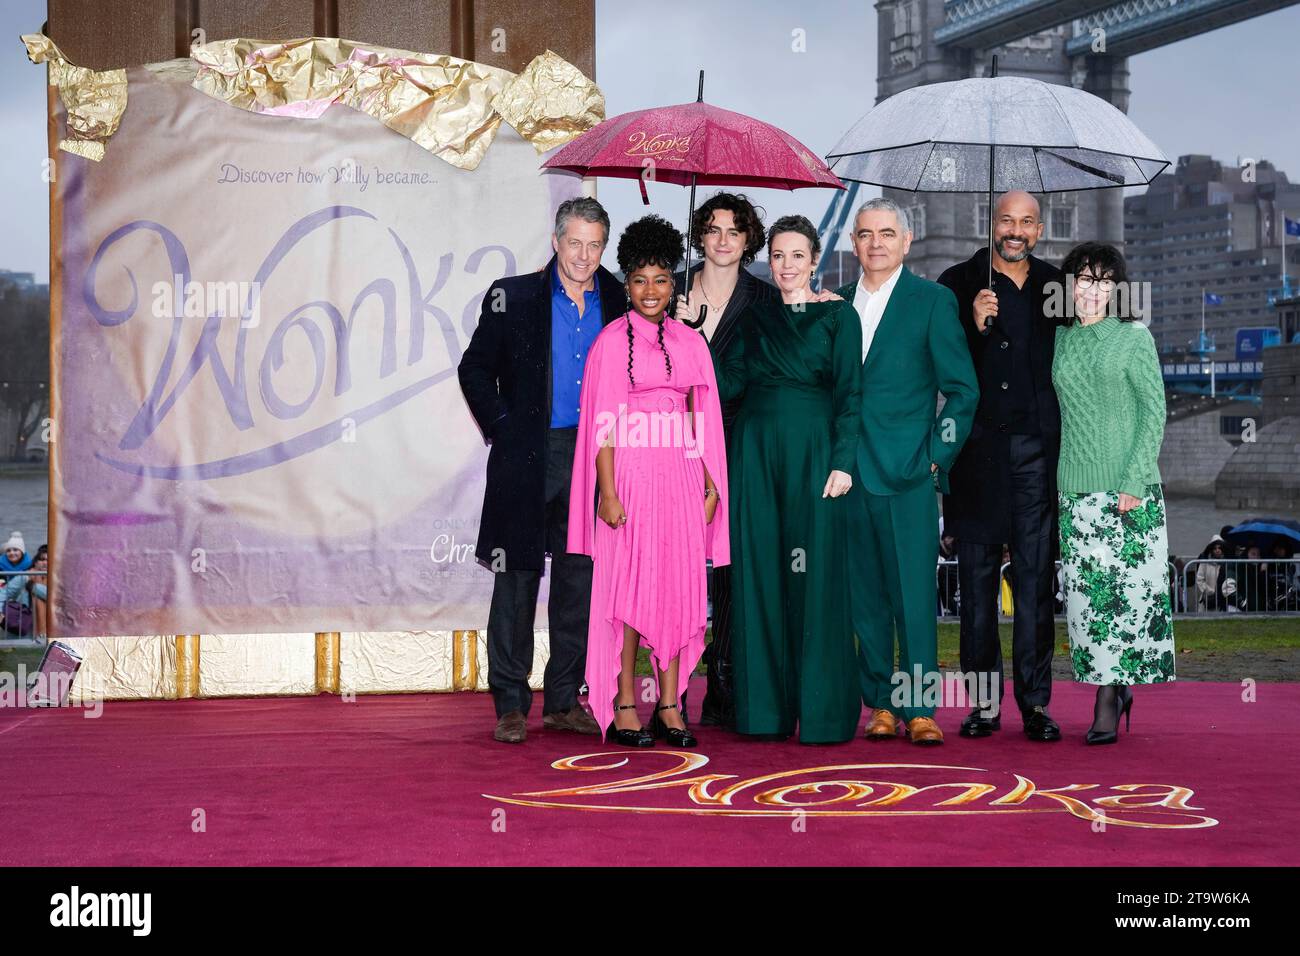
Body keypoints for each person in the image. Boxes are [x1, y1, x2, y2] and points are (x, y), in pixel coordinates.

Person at [458, 197, 626, 744]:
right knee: (517, 580)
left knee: (580, 581)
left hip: (594, 456)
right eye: (574, 242)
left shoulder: (621, 298)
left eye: (594, 244)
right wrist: (503, 426)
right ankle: (510, 703)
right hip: (529, 454)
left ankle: (562, 701)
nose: (583, 255)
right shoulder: (515, 295)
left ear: (605, 247)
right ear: (555, 241)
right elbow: (475, 368)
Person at [567, 215, 729, 747]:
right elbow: (602, 428)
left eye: (661, 279)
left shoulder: (692, 344)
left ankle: (669, 703)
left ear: (673, 283)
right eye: (639, 280)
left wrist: (710, 486)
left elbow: (702, 421)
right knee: (630, 592)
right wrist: (607, 493)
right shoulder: (611, 343)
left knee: (678, 591)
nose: (651, 291)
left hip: (680, 479)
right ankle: (623, 700)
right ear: (626, 282)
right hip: (631, 481)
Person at [831, 198, 978, 747]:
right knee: (865, 598)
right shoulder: (836, 303)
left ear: (907, 240)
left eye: (887, 233)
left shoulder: (933, 302)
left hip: (911, 474)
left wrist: (937, 457)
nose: (875, 243)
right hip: (847, 477)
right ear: (853, 240)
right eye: (866, 233)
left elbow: (963, 391)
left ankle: (920, 707)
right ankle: (881, 704)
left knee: (914, 597)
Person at [716, 215, 862, 743]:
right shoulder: (754, 319)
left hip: (816, 456)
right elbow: (726, 382)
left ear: (815, 259)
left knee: (816, 577)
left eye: (797, 255)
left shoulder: (839, 318)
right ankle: (764, 714)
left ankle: (821, 714)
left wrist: (844, 461)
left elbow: (851, 394)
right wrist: (691, 334)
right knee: (759, 574)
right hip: (754, 455)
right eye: (777, 255)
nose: (786, 265)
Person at [937, 190, 1064, 742]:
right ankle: (983, 706)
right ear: (992, 224)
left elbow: (1082, 355)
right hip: (976, 456)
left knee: (1036, 586)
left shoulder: (1057, 286)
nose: (1016, 230)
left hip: (1037, 454)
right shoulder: (955, 283)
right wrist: (971, 323)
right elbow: (939, 366)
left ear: (1039, 229)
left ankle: (1035, 705)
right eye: (1007, 220)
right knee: (978, 586)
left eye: (1027, 222)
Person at [1053, 241, 1174, 745]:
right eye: (1084, 278)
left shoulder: (1132, 337)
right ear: (1069, 284)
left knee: (1126, 601)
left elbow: (1154, 412)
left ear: (1116, 289)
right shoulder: (1058, 339)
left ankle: (1110, 695)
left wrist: (1133, 479)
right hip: (1075, 491)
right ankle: (1109, 688)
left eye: (1104, 280)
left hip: (1129, 492)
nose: (1092, 289)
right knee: (1087, 605)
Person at [672, 191, 779, 728]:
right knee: (677, 571)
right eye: (711, 229)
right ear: (699, 234)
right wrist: (681, 329)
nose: (721, 240)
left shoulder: (764, 298)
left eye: (733, 231)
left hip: (738, 446)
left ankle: (726, 688)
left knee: (732, 573)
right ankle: (672, 699)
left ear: (747, 240)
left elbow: (763, 368)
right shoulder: (667, 290)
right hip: (672, 447)